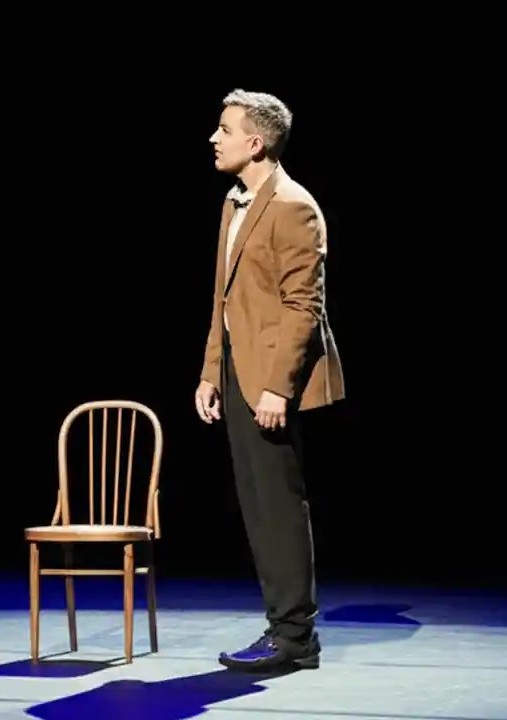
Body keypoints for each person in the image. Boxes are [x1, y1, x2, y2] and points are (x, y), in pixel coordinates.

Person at [195, 89, 345, 672]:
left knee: (279, 506)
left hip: (272, 379)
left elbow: (303, 306)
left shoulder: (292, 205)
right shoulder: (234, 204)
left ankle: (294, 638)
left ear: (254, 142)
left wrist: (278, 386)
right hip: (237, 373)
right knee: (257, 507)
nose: (214, 137)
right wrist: (211, 372)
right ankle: (281, 628)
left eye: (224, 129)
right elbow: (223, 300)